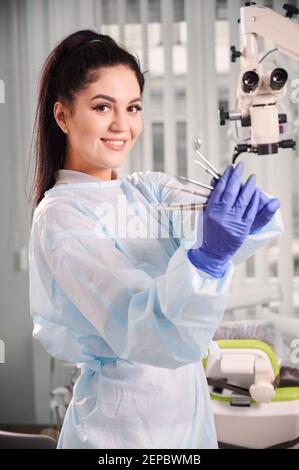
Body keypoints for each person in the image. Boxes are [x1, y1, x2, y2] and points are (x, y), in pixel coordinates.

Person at [29, 29, 282, 449]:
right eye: (102, 107)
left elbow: (215, 220)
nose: (121, 125)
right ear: (62, 116)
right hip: (121, 427)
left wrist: (247, 216)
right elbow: (143, 325)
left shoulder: (145, 191)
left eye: (133, 108)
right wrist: (207, 258)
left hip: (185, 412)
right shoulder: (60, 218)